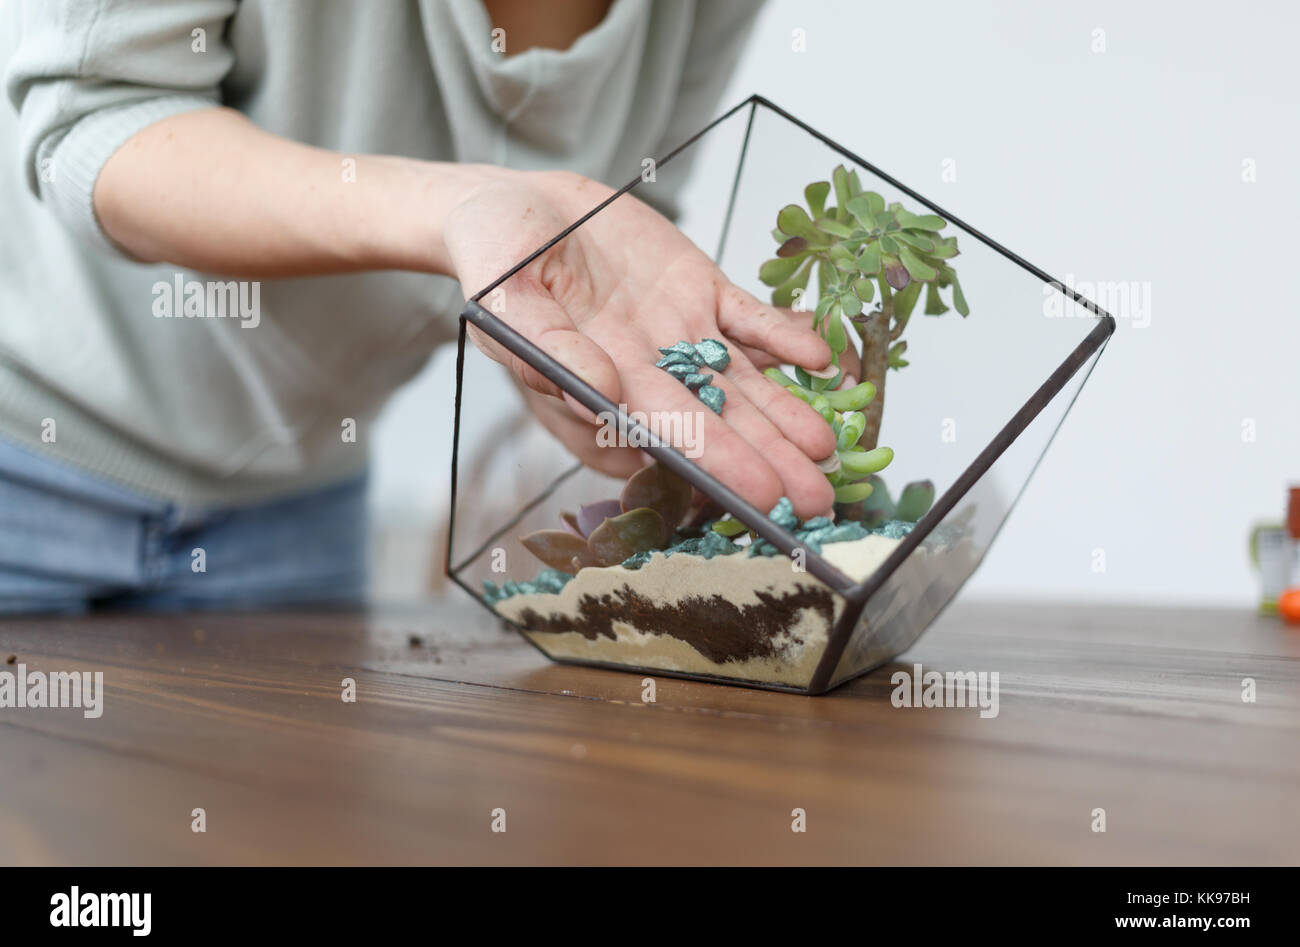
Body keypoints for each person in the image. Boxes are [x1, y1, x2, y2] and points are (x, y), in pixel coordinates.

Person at [0, 0, 839, 614]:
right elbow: (95, 116)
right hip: (25, 463)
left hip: (295, 506)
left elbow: (608, 221)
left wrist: (573, 369)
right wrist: (452, 211)